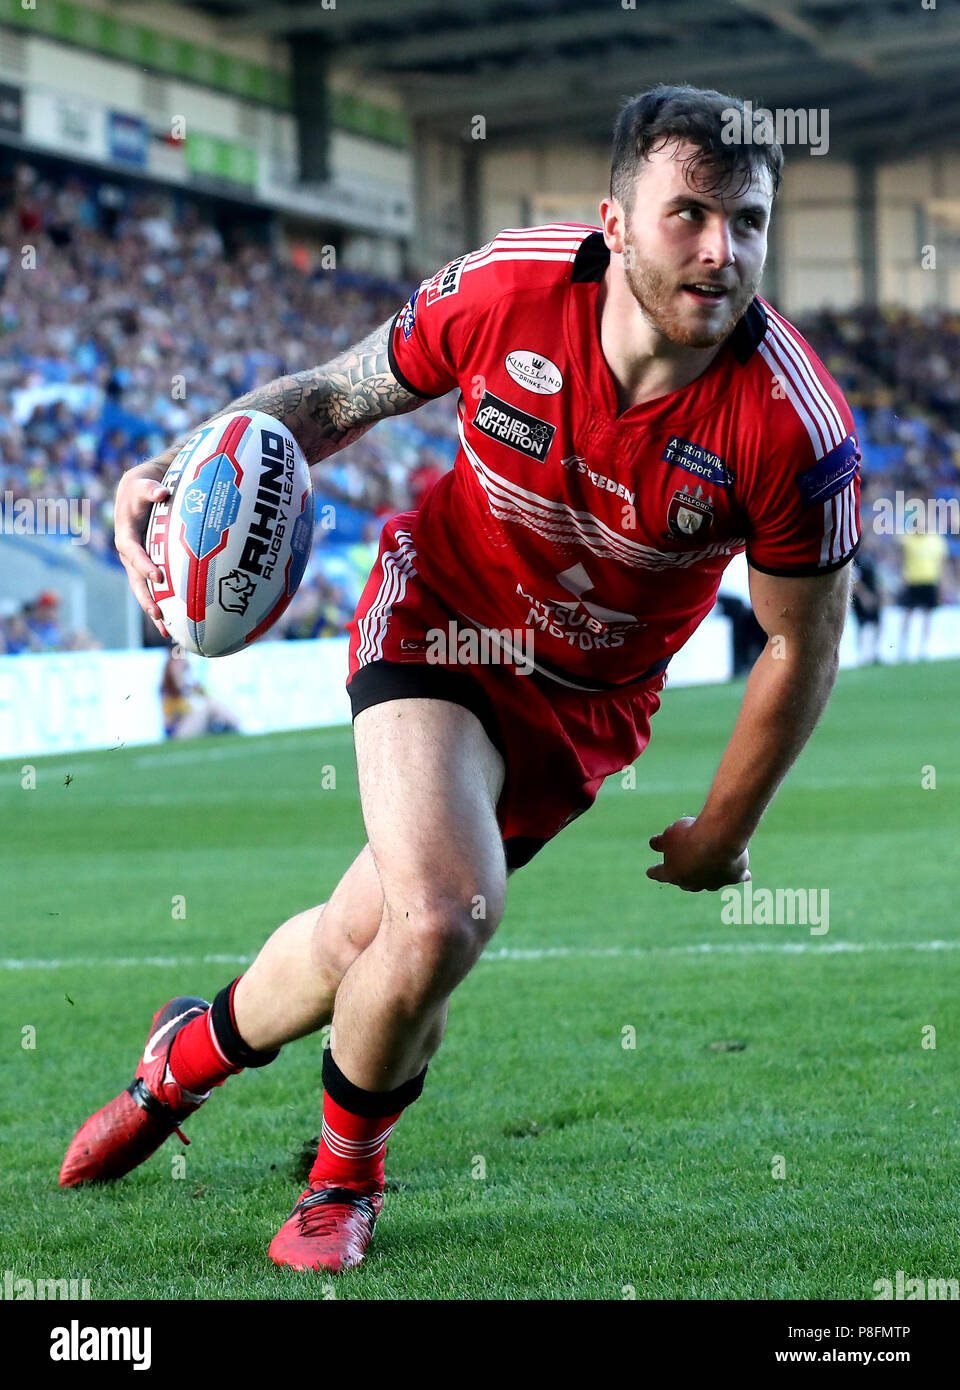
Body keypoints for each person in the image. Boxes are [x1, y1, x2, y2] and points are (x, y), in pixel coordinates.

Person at [61, 84, 861, 1275]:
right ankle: (344, 1183)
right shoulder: (510, 289)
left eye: (746, 221)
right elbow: (334, 399)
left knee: (360, 936)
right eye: (688, 213)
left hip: (584, 711)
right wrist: (181, 463)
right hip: (438, 619)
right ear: (614, 220)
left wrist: (723, 832)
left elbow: (800, 643)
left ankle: (185, 1055)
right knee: (442, 914)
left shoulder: (793, 430)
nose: (719, 250)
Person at [160, 646, 241, 738]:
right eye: (177, 662)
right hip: (177, 731)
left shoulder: (191, 685)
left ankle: (235, 727)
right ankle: (238, 727)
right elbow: (171, 719)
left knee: (212, 706)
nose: (181, 664)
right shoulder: (168, 689)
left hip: (191, 725)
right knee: (209, 706)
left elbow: (207, 697)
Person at [898, 512, 947, 661]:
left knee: (927, 616)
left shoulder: (936, 541)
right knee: (908, 614)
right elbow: (901, 558)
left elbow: (941, 565)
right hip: (912, 581)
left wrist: (942, 585)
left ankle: (923, 648)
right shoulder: (907, 540)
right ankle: (903, 648)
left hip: (930, 581)